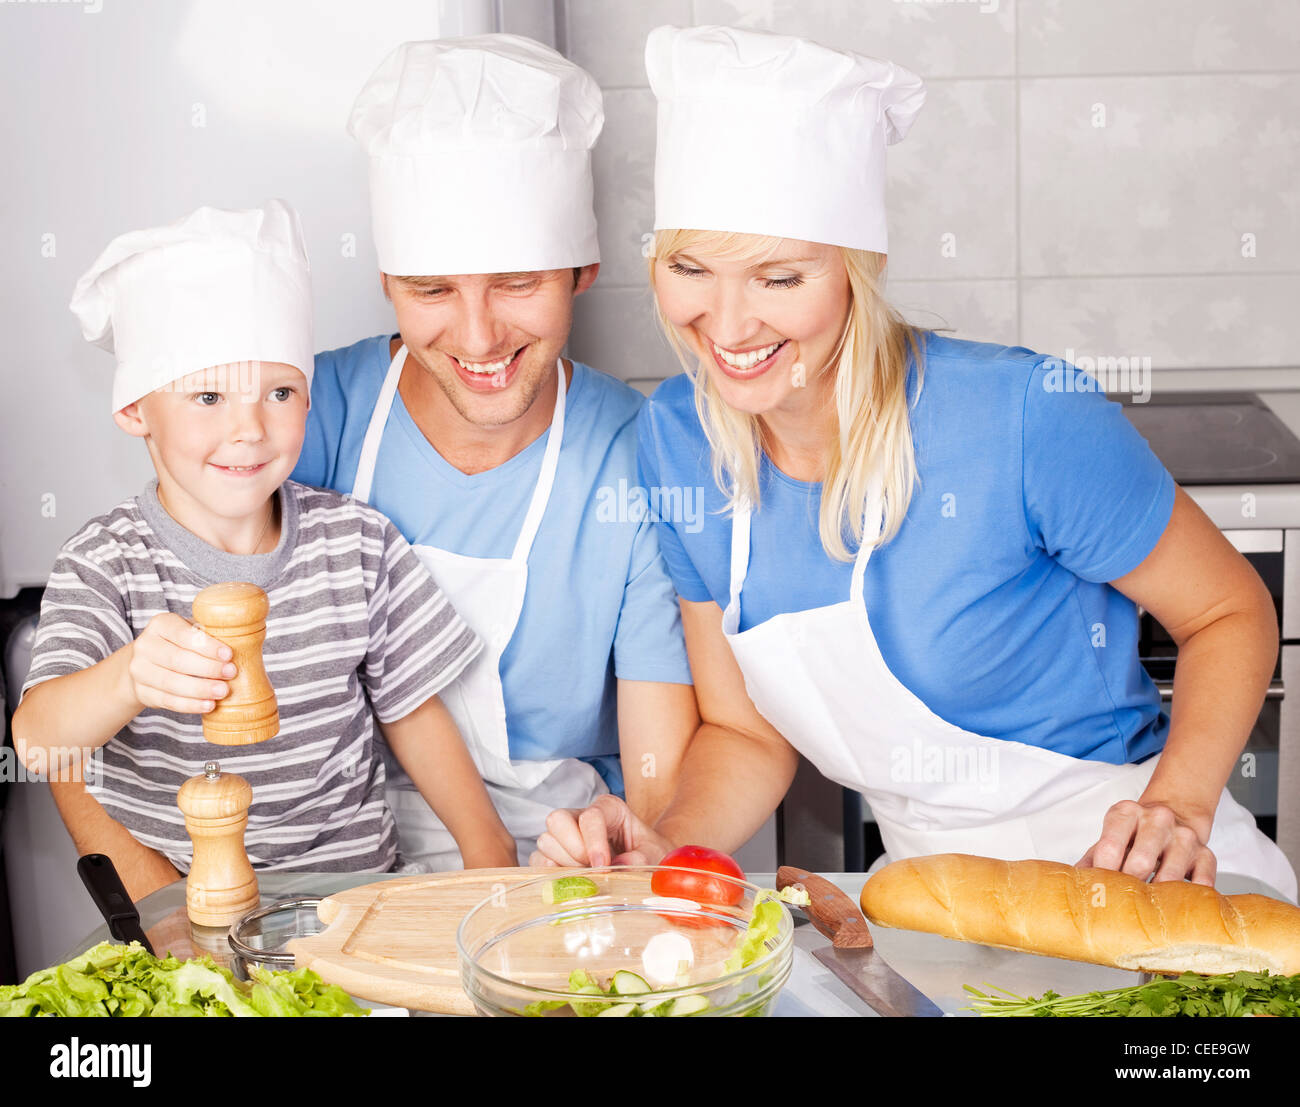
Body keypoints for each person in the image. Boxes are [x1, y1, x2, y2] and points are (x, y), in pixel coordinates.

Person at [534, 24, 1298, 900]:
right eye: (692, 267)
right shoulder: (678, 438)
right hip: (933, 903)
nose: (730, 323)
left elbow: (1229, 611)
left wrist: (1179, 808)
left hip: (1140, 870)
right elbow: (746, 736)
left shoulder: (1021, 415)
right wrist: (664, 844)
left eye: (781, 278)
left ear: (860, 268)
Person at [13, 201, 517, 899]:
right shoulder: (106, 564)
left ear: (309, 400)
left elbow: (413, 712)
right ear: (135, 410)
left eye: (278, 391)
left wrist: (490, 850)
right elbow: (40, 739)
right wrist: (130, 677)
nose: (248, 429)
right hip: (185, 918)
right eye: (208, 396)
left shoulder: (358, 542)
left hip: (356, 901)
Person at [291, 35, 698, 869]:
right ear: (387, 283)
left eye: (517, 282)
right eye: (433, 289)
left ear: (580, 269)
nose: (478, 337)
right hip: (332, 857)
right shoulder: (304, 415)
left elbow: (658, 773)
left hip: (551, 862)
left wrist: (632, 849)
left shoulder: (639, 455)